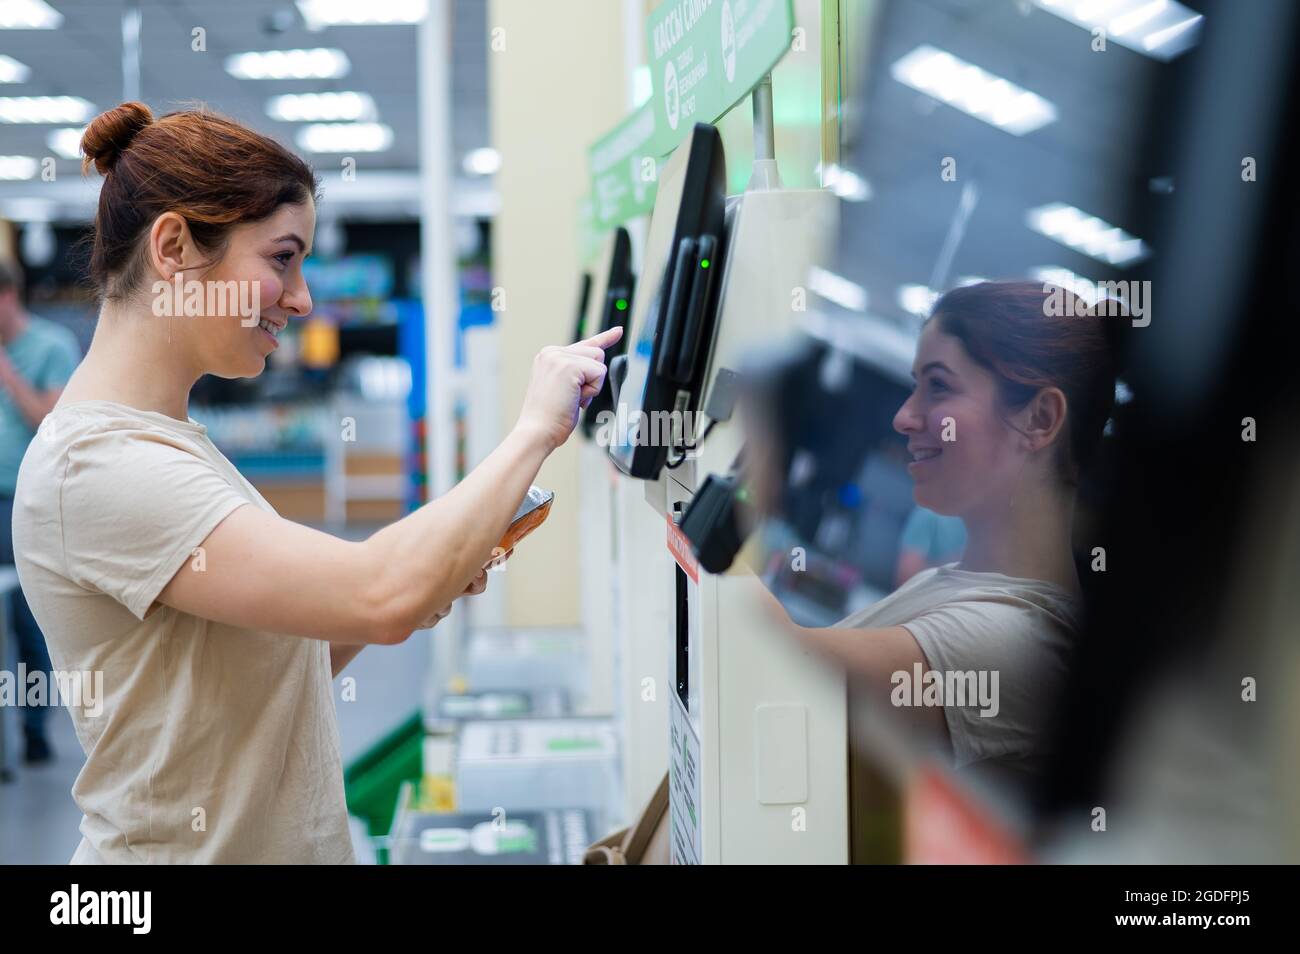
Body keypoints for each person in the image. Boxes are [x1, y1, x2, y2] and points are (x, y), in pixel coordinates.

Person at [11, 102, 621, 863]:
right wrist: (535, 427)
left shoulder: (168, 445)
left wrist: (433, 571)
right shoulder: (99, 464)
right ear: (173, 246)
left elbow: (274, 661)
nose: (301, 299)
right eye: (281, 258)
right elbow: (377, 593)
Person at [783, 281, 1120, 781]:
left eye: (938, 386)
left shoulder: (1022, 641)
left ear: (1040, 418)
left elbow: (779, 671)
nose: (904, 416)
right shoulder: (953, 584)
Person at [0, 257, 81, 763]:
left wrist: (7, 375)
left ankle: (34, 727)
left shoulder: (51, 347)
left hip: (23, 503)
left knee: (28, 619)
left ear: (9, 296)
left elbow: (51, 424)